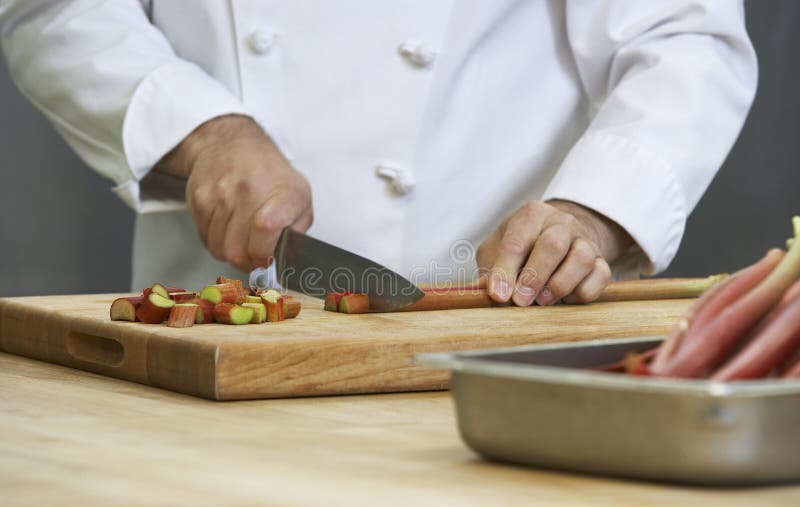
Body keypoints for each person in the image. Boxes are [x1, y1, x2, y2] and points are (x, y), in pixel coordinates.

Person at [0, 1, 757, 306]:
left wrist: (590, 214)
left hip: (488, 333)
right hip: (210, 339)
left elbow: (684, 37)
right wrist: (201, 132)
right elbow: (55, 9)